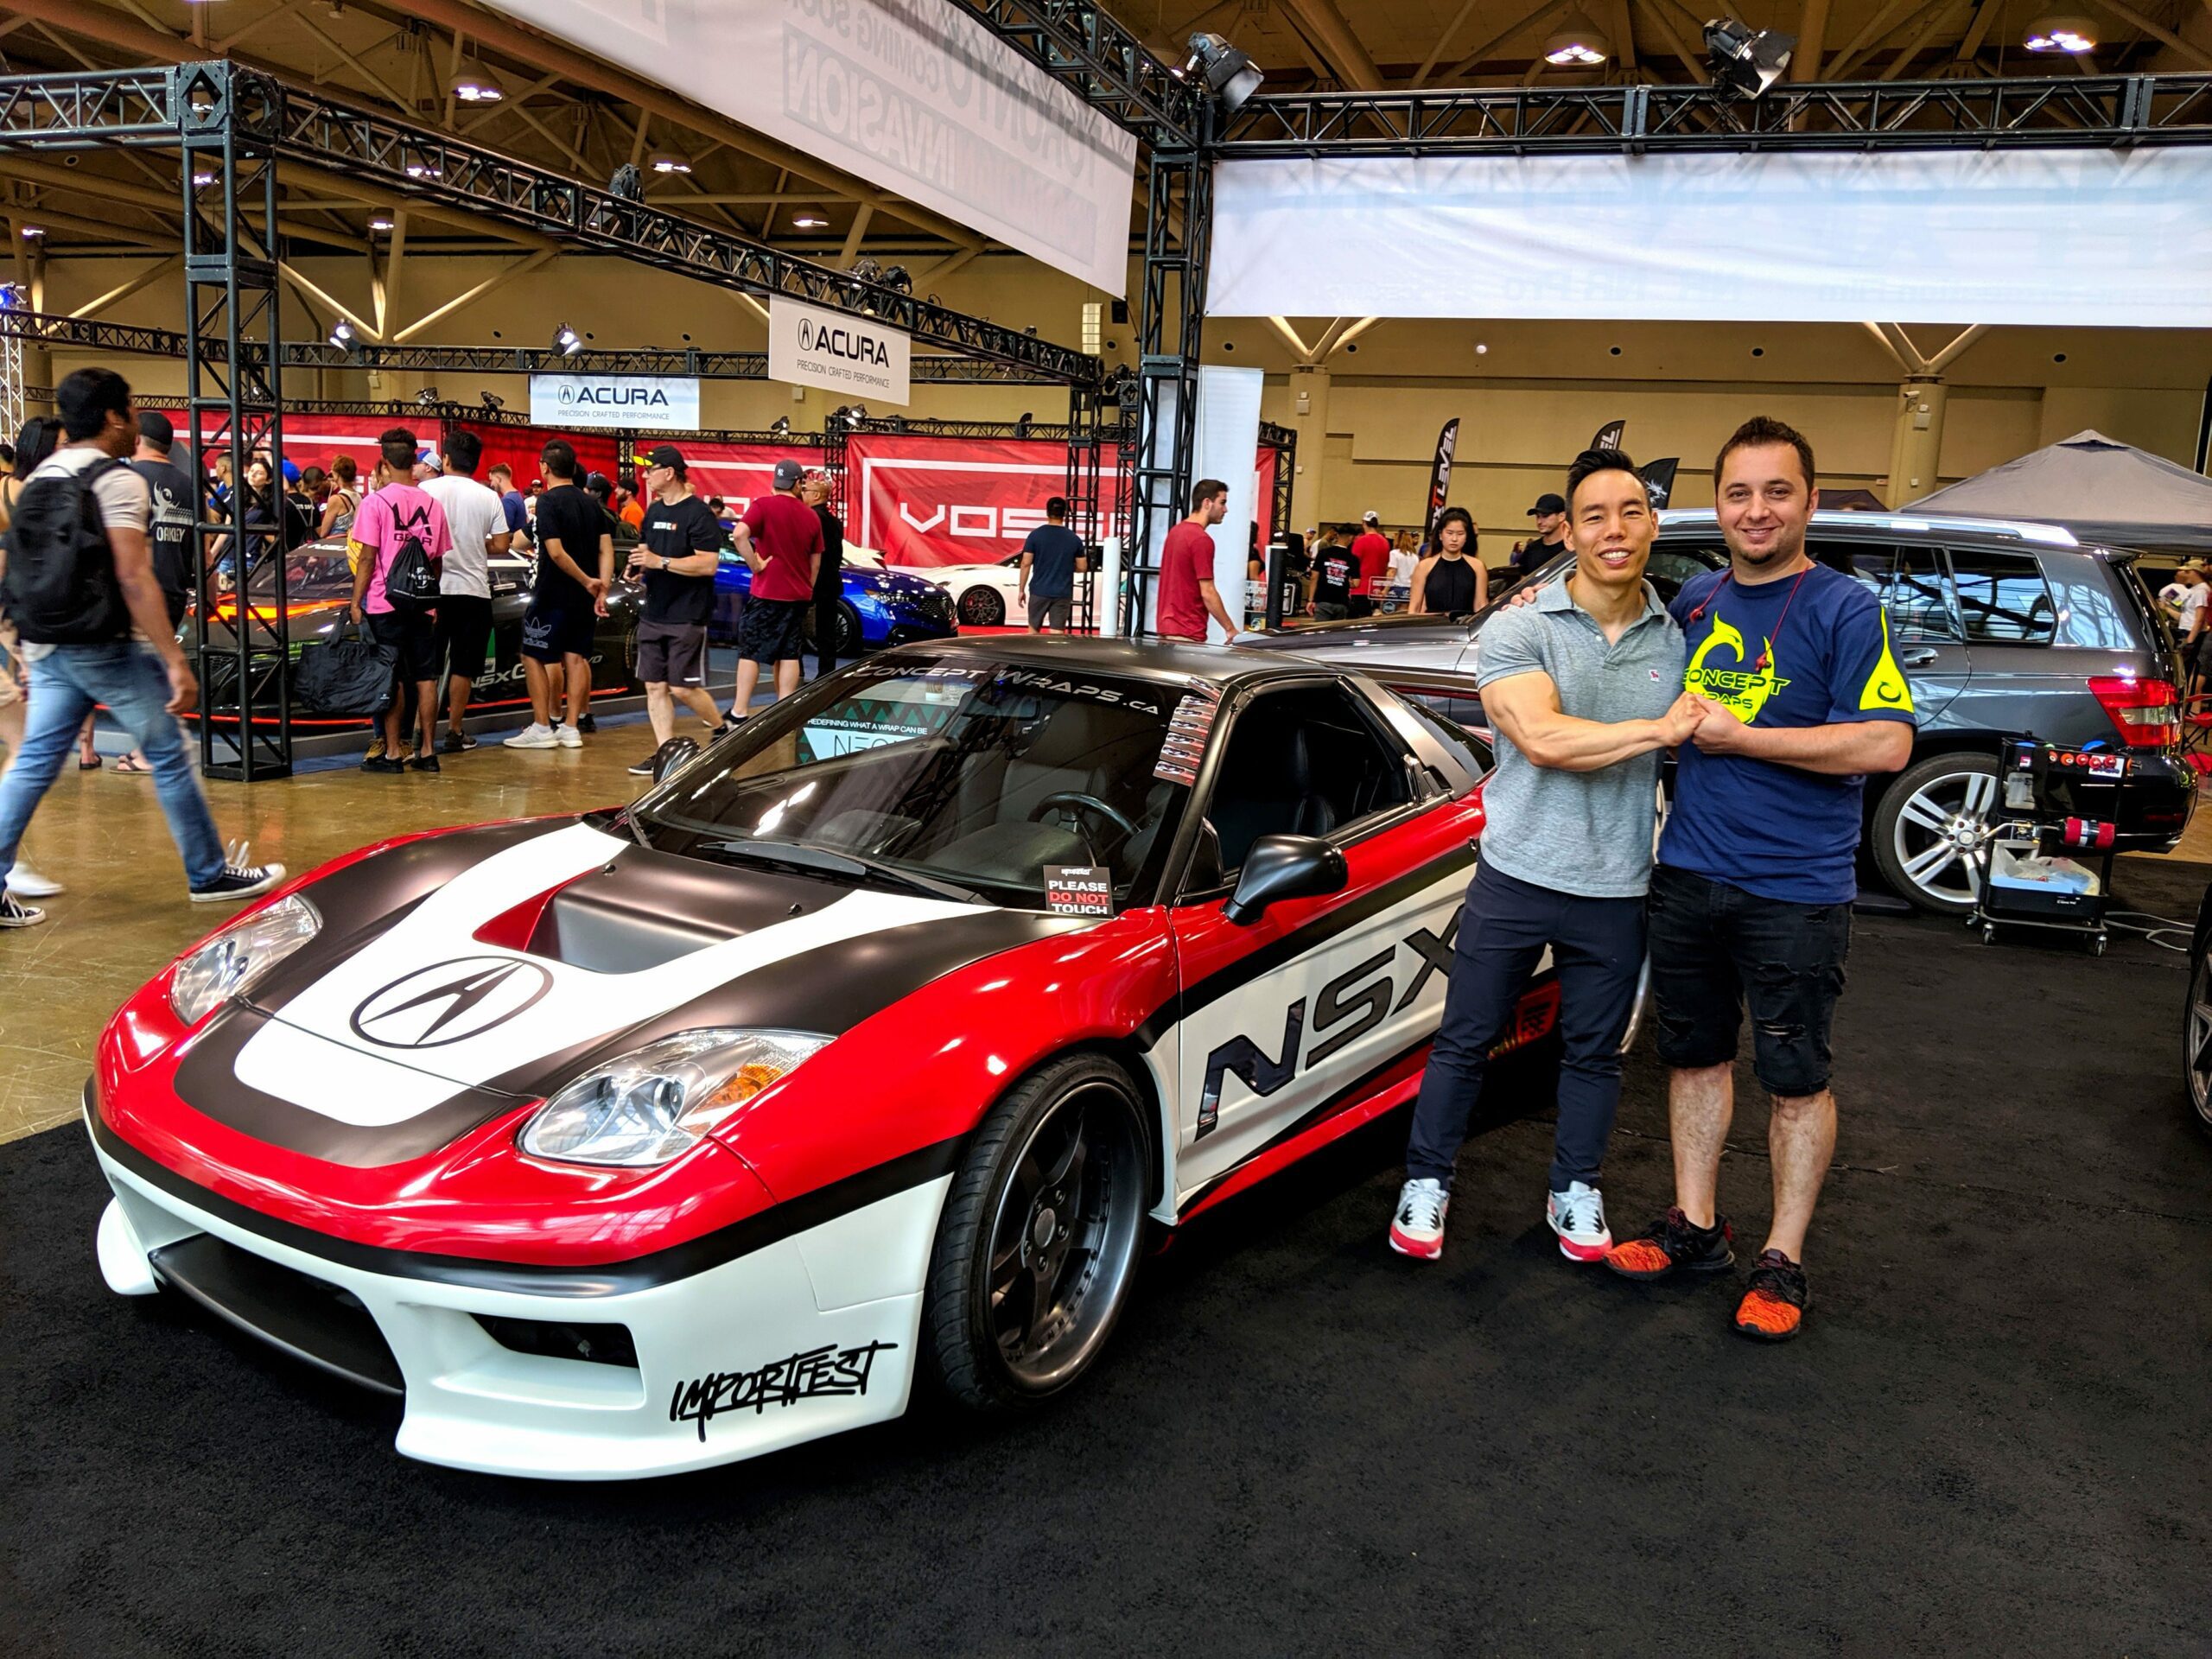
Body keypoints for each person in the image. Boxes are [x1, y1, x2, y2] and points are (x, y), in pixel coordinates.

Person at [1603, 416, 1916, 1343]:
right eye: (1738, 492)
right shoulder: (1695, 600)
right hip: (1689, 874)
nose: (1755, 510)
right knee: (1692, 1058)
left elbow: (1887, 739)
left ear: (1809, 501)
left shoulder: (1843, 609)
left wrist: (1747, 739)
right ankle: (1696, 1228)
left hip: (1795, 889)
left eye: (1776, 491)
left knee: (1793, 1075)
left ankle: (1783, 1258)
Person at [1391, 449, 1701, 1262]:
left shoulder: (1678, 636)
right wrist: (1659, 731)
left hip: (1617, 886)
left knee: (1594, 1055)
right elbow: (1539, 736)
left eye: (1631, 512)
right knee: (1465, 1039)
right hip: (1517, 873)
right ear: (1570, 528)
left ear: (1652, 524)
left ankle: (1576, 1190)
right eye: (1595, 515)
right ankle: (1426, 1182)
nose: (1615, 530)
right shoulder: (1520, 624)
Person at [0, 366, 281, 925]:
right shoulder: (118, 480)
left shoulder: (43, 478)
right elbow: (133, 576)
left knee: (33, 762)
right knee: (172, 755)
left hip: (49, 642)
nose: (135, 418)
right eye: (129, 407)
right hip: (105, 645)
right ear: (110, 416)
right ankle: (208, 873)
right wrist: (175, 659)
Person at [346, 427, 452, 773]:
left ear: (384, 462)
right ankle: (426, 751)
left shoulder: (375, 503)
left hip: (383, 602)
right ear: (415, 458)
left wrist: (356, 602)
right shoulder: (432, 506)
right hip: (421, 603)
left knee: (390, 676)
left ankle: (393, 753)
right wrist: (429, 600)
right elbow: (437, 559)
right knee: (425, 677)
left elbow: (366, 557)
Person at [623, 445, 728, 773]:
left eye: (650, 469)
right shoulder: (653, 512)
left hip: (688, 613)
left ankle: (721, 730)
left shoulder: (697, 514)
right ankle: (664, 753)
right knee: (654, 685)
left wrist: (660, 562)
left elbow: (708, 564)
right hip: (655, 611)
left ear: (669, 473)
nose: (645, 475)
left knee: (683, 687)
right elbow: (646, 550)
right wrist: (639, 565)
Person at [505, 441, 611, 750]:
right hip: (583, 598)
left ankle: (542, 726)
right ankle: (571, 727)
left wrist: (588, 581)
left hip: (552, 594)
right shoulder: (592, 503)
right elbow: (605, 549)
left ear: (545, 467)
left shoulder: (548, 502)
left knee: (532, 654)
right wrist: (599, 586)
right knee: (575, 658)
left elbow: (555, 552)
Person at [419, 429, 511, 755]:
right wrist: (475, 543)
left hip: (429, 591)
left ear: (445, 459)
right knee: (463, 666)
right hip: (473, 590)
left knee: (425, 665)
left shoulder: (425, 489)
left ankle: (420, 731)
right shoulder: (488, 496)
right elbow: (502, 543)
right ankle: (455, 731)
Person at [730, 456, 823, 715]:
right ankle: (783, 710)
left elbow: (739, 534)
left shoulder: (762, 506)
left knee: (750, 651)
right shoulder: (811, 517)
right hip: (796, 595)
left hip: (766, 591)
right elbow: (815, 564)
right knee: (789, 652)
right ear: (798, 484)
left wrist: (755, 565)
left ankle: (739, 710)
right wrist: (807, 589)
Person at [1156, 479, 1243, 644]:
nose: (1225, 509)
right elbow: (1208, 591)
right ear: (1207, 503)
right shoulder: (1200, 540)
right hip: (1187, 631)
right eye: (1222, 503)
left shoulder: (1176, 532)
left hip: (1166, 628)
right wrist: (1230, 629)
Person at [800, 471, 847, 673]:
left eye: (805, 490)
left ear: (816, 495)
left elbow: (810, 553)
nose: (802, 494)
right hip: (831, 583)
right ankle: (825, 675)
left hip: (813, 583)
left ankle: (798, 674)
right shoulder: (834, 521)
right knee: (827, 634)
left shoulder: (811, 518)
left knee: (799, 631)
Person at [1019, 495, 1083, 634]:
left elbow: (1025, 563)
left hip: (1039, 591)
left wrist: (1021, 590)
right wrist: (1067, 566)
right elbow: (1082, 567)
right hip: (1062, 593)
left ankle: (1033, 656)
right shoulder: (1074, 539)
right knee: (1057, 635)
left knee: (1033, 633)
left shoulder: (1035, 536)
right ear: (1064, 513)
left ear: (1047, 512)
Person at [1409, 506, 1487, 616]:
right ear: (1441, 535)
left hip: (1465, 629)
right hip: (1433, 628)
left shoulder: (1477, 566)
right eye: (1449, 533)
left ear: (1466, 537)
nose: (1454, 539)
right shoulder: (1424, 566)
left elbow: (1480, 606)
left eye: (1460, 534)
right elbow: (1414, 609)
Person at [1512, 492, 1570, 573]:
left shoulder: (1572, 547)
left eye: (1545, 516)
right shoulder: (1532, 549)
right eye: (1538, 516)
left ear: (1562, 516)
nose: (1539, 521)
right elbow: (1524, 582)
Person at [1306, 527, 1356, 621]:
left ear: (1337, 535)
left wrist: (1311, 600)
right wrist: (1345, 581)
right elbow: (1356, 583)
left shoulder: (1323, 552)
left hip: (1323, 599)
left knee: (1321, 630)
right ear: (1351, 538)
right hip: (1341, 601)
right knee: (1337, 632)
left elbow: (1314, 577)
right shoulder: (1352, 558)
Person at [1348, 511, 1391, 618]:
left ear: (1364, 523)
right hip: (1377, 589)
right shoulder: (1385, 542)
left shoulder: (1361, 541)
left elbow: (1353, 564)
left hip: (1360, 588)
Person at [320, 454, 360, 539]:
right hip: (352, 545)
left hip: (335, 545)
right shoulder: (359, 497)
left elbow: (323, 532)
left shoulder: (336, 500)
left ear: (336, 474)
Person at [486, 462, 530, 536]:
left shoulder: (508, 501)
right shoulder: (517, 495)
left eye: (491, 480)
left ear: (498, 479)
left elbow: (503, 532)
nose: (491, 484)